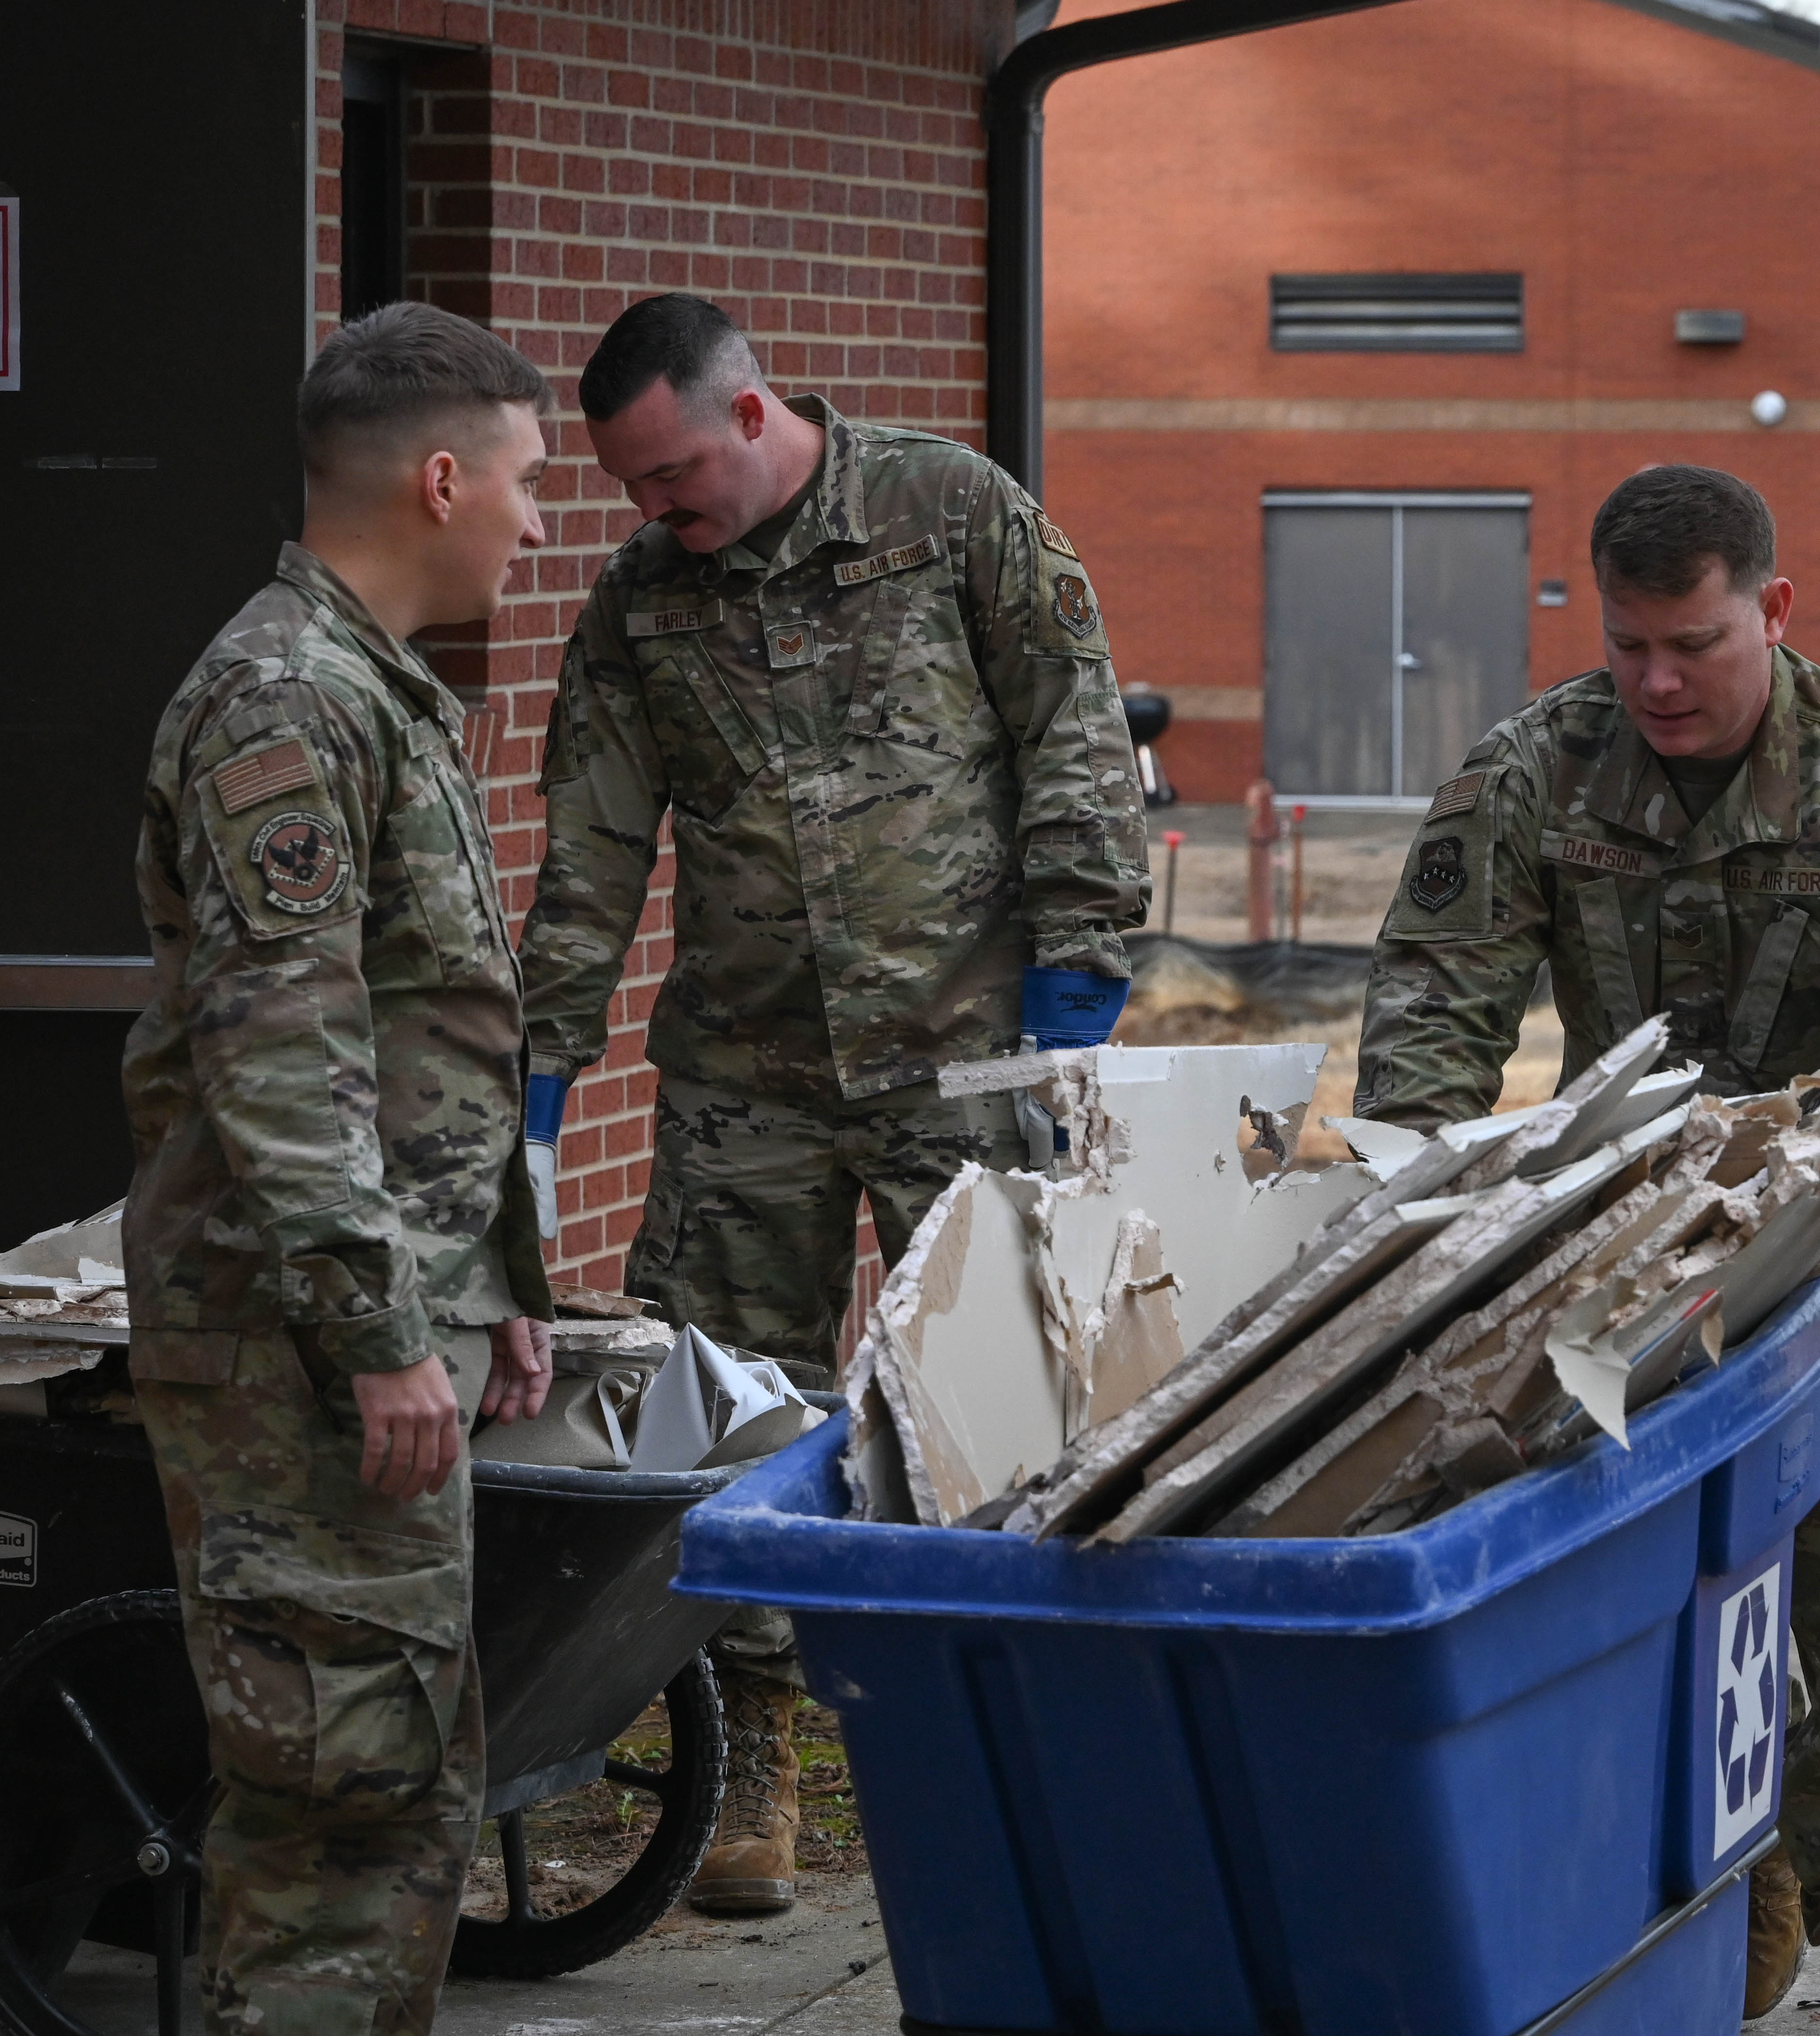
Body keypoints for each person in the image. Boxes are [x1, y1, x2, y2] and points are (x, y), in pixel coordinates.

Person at [521, 293, 1149, 1914]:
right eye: (627, 489)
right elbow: (591, 844)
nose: (656, 512)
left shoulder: (952, 514)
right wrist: (539, 1073)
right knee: (731, 1419)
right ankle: (753, 1785)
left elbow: (1073, 733)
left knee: (1009, 1406)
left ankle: (1026, 1750)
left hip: (974, 1060)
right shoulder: (644, 602)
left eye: (670, 473)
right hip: (749, 1080)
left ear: (748, 414)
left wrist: (1076, 1000)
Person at [1352, 466, 1820, 2036]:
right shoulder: (1535, 773)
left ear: (1771, 609)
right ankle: (1731, 1856)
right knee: (1634, 1599)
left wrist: (1761, 1215)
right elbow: (1431, 1018)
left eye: (1692, 643)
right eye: (1629, 641)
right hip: (1633, 1258)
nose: (1654, 680)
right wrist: (1437, 1220)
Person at [121, 300, 559, 2036]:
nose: (541, 520)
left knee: (396, 1784)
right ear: (442, 477)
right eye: (529, 482)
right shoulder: (284, 703)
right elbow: (282, 1054)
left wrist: (500, 1287)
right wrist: (380, 1334)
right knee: (333, 1807)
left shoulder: (379, 691)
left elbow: (433, 1024)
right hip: (293, 1341)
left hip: (371, 1312)